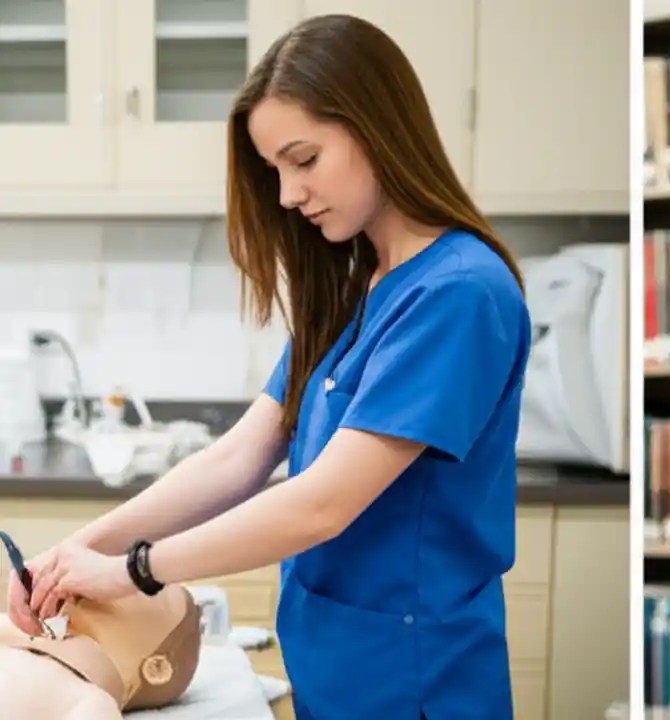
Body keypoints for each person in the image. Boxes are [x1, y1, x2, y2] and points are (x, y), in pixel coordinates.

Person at [6, 13, 531, 720]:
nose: (286, 194)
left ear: (377, 127)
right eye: (275, 170)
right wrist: (76, 549)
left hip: (416, 683)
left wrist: (134, 569)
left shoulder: (460, 294)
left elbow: (322, 504)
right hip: (335, 672)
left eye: (304, 159)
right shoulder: (356, 291)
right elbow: (239, 458)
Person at [0, 582, 200, 720]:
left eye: (146, 587)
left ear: (157, 669)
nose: (122, 577)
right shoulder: (18, 634)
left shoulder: (92, 702)